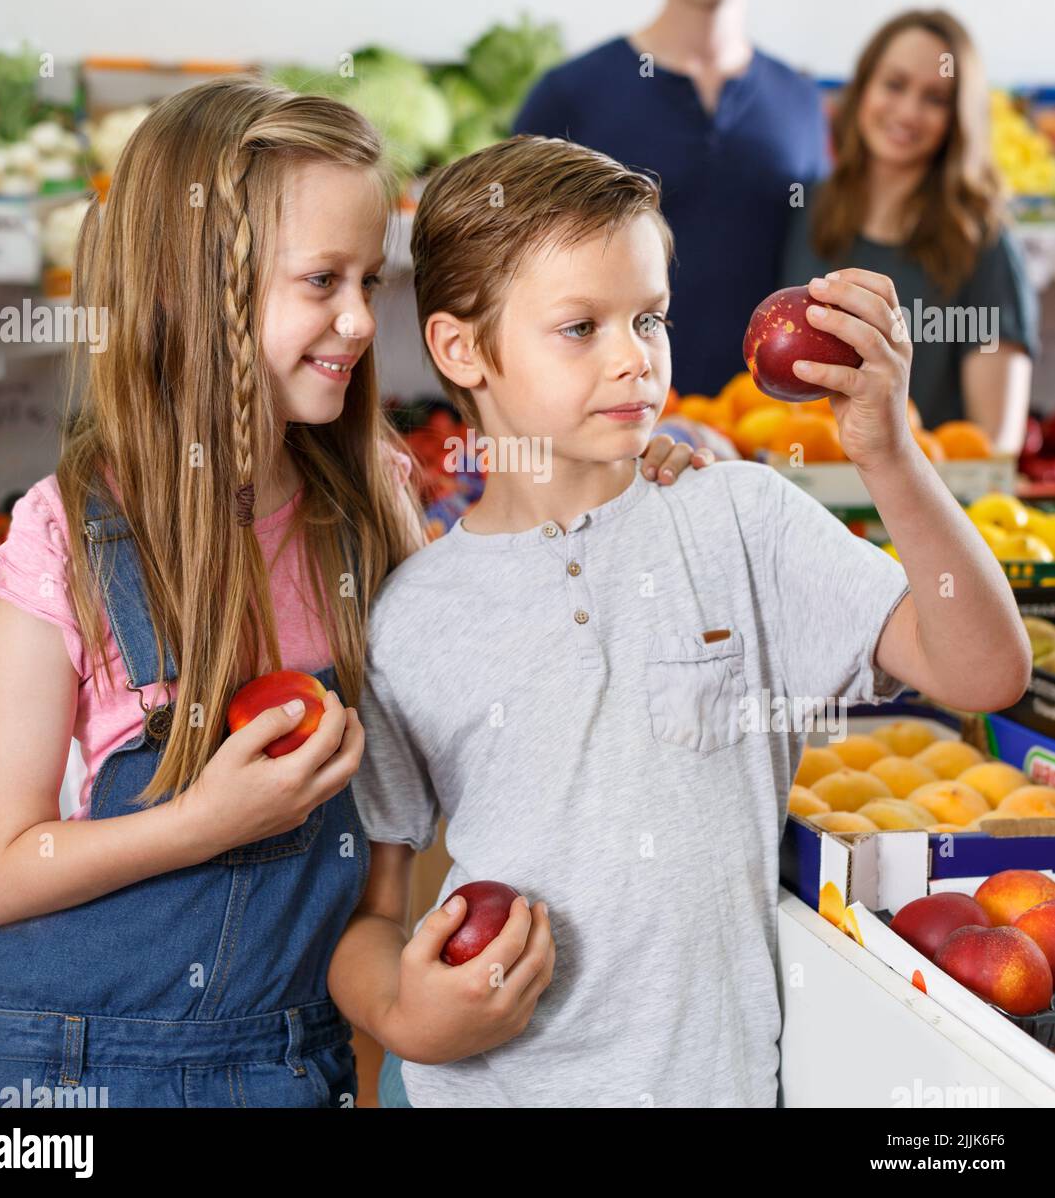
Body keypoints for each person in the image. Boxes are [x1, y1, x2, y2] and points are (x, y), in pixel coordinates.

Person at [0, 79, 700, 1110]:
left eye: (368, 278)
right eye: (321, 281)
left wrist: (626, 481)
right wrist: (206, 819)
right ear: (187, 289)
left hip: (291, 1059)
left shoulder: (372, 505)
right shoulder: (69, 535)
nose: (359, 320)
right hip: (76, 1076)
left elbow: (506, 639)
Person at [328, 133, 1031, 1109]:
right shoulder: (411, 619)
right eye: (580, 328)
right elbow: (365, 914)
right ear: (460, 348)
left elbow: (986, 670)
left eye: (649, 318)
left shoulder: (738, 518)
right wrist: (408, 1017)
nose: (632, 358)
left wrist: (890, 453)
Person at [513, 0, 829, 397]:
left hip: (766, 424)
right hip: (605, 415)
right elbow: (506, 274)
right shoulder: (571, 94)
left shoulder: (800, 101)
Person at [782, 9, 1038, 451]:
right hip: (808, 491)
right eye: (894, 85)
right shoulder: (808, 210)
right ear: (863, 88)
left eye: (935, 98)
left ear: (958, 118)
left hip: (922, 508)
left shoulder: (985, 246)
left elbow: (993, 448)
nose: (908, 111)